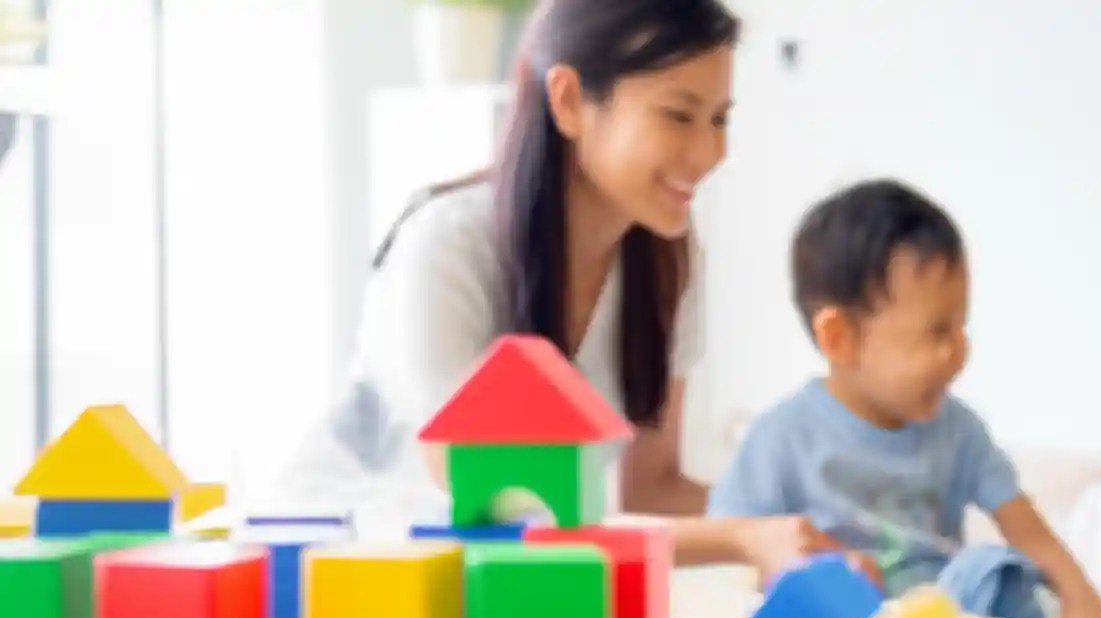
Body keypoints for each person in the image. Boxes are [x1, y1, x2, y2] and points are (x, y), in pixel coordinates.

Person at [276, 0, 850, 578]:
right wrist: (744, 536)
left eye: (720, 119)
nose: (709, 154)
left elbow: (650, 492)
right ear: (570, 101)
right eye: (678, 116)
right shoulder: (448, 247)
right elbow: (494, 510)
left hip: (489, 592)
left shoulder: (667, 260)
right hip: (345, 577)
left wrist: (812, 517)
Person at [707, 179, 1101, 618]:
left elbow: (1028, 531)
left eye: (962, 326)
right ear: (839, 337)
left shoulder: (959, 431)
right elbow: (732, 544)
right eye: (937, 331)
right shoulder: (780, 437)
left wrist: (1083, 601)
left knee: (998, 572)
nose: (956, 352)